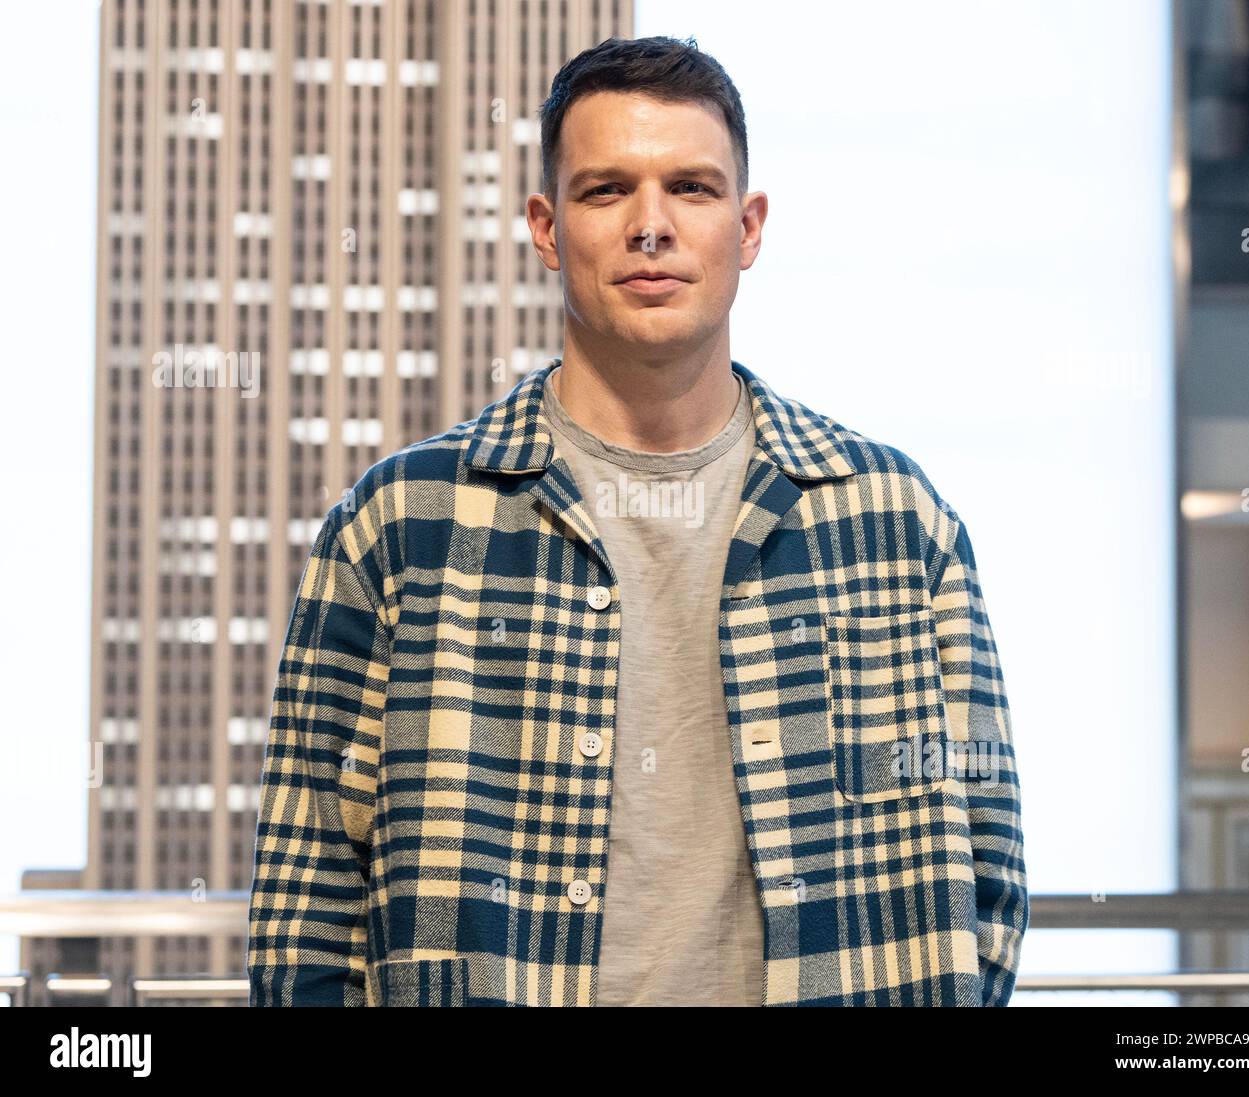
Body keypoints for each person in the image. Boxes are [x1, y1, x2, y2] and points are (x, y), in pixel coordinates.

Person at [247, 34, 1027, 1007]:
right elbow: (306, 891)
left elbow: (989, 863)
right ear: (545, 226)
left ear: (747, 227)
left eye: (692, 189)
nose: (650, 227)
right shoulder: (403, 523)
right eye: (606, 189)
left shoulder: (890, 517)